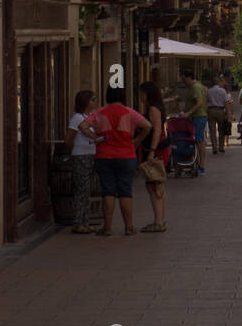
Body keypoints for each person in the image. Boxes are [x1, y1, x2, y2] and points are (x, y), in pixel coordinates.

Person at [90, 89, 151, 236]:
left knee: (108, 191)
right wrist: (136, 141)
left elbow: (83, 125)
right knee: (125, 191)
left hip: (104, 155)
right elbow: (147, 126)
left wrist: (94, 137)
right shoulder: (129, 112)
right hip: (126, 154)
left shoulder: (100, 112)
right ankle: (129, 227)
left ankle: (108, 227)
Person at [65, 90, 102, 234]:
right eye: (93, 99)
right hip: (81, 156)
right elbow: (69, 139)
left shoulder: (90, 118)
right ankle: (78, 222)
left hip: (91, 155)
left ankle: (85, 222)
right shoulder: (77, 118)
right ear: (86, 102)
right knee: (82, 190)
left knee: (87, 190)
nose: (95, 102)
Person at [138, 81, 169, 233]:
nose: (140, 96)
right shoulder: (157, 108)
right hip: (157, 149)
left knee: (154, 186)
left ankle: (158, 221)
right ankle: (160, 221)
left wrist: (151, 151)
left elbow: (157, 131)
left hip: (154, 150)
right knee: (158, 186)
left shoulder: (153, 109)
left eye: (142, 93)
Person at [180, 68, 207, 173]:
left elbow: (199, 102)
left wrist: (189, 112)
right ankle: (197, 163)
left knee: (199, 141)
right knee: (198, 140)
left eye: (183, 79)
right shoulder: (199, 86)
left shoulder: (195, 87)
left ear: (188, 77)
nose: (183, 81)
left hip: (198, 117)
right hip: (198, 116)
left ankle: (201, 165)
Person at [206, 74, 229, 155]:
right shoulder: (222, 91)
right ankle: (221, 147)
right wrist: (228, 112)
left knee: (212, 130)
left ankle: (214, 147)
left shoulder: (208, 91)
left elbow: (206, 102)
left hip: (211, 110)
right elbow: (226, 102)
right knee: (221, 129)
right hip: (220, 111)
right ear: (218, 82)